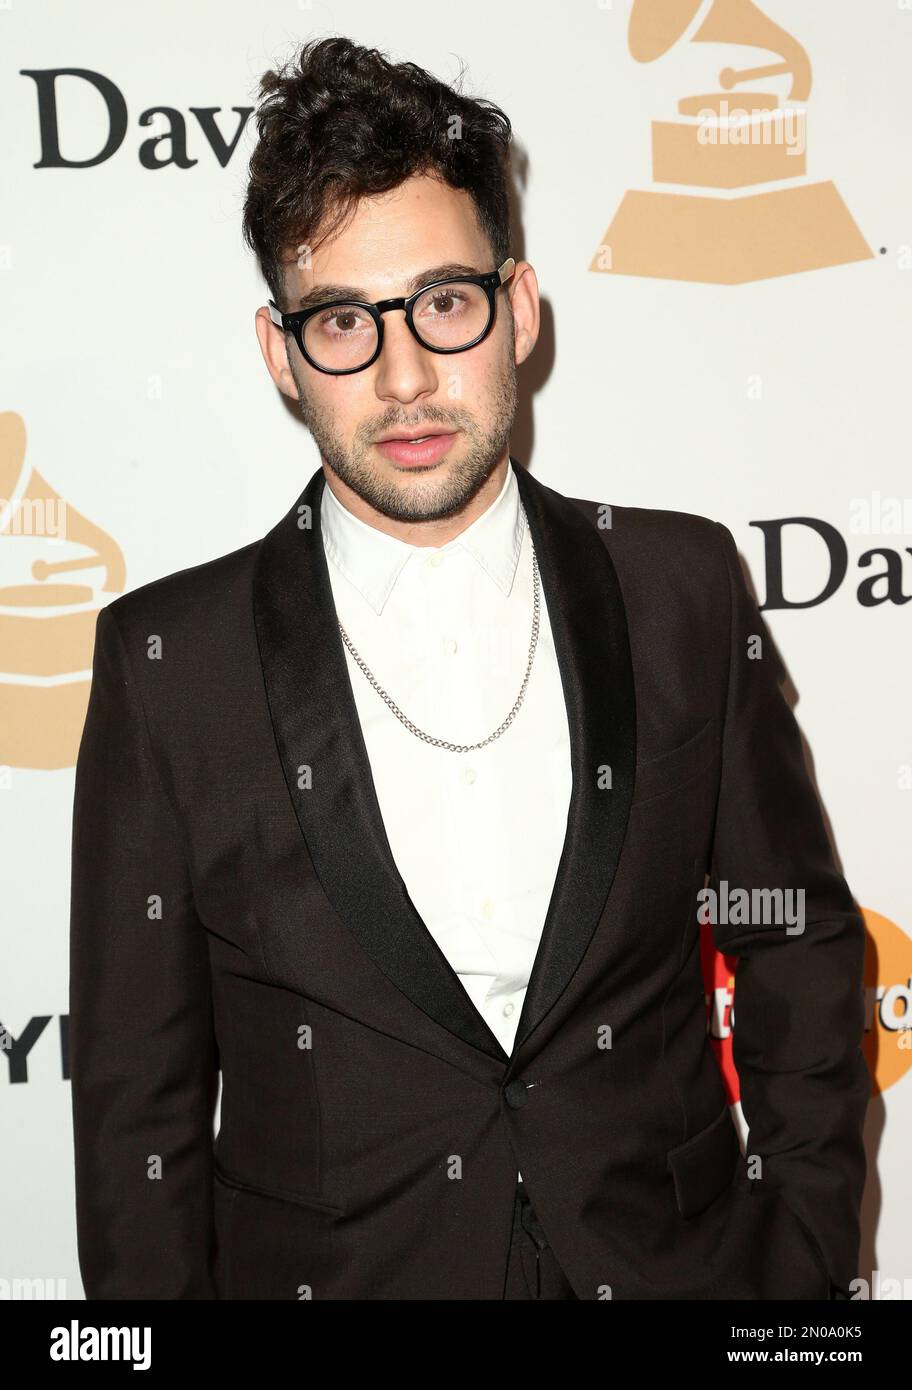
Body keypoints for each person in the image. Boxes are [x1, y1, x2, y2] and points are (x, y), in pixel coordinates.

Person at [69, 34, 870, 1300]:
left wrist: (804, 1276)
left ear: (521, 307)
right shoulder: (171, 663)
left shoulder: (680, 591)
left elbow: (799, 942)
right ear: (281, 354)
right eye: (343, 320)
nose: (403, 375)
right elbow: (135, 1105)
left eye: (444, 302)